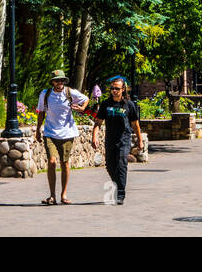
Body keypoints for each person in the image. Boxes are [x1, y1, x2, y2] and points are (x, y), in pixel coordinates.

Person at [35, 69, 88, 205]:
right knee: (52, 162)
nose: (60, 83)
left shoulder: (70, 93)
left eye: (62, 80)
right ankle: (52, 196)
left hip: (67, 133)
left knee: (65, 163)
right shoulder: (45, 94)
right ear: (53, 82)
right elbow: (41, 112)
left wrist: (82, 108)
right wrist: (37, 130)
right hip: (50, 132)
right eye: (57, 80)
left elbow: (86, 99)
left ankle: (63, 195)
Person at [91, 76, 143, 205]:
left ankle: (120, 193)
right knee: (109, 166)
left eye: (117, 88)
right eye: (112, 88)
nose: (114, 91)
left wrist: (140, 141)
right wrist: (94, 136)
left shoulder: (129, 105)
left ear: (123, 89)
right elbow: (98, 123)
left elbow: (135, 125)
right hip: (110, 139)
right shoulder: (106, 104)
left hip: (123, 139)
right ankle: (117, 183)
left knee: (121, 163)